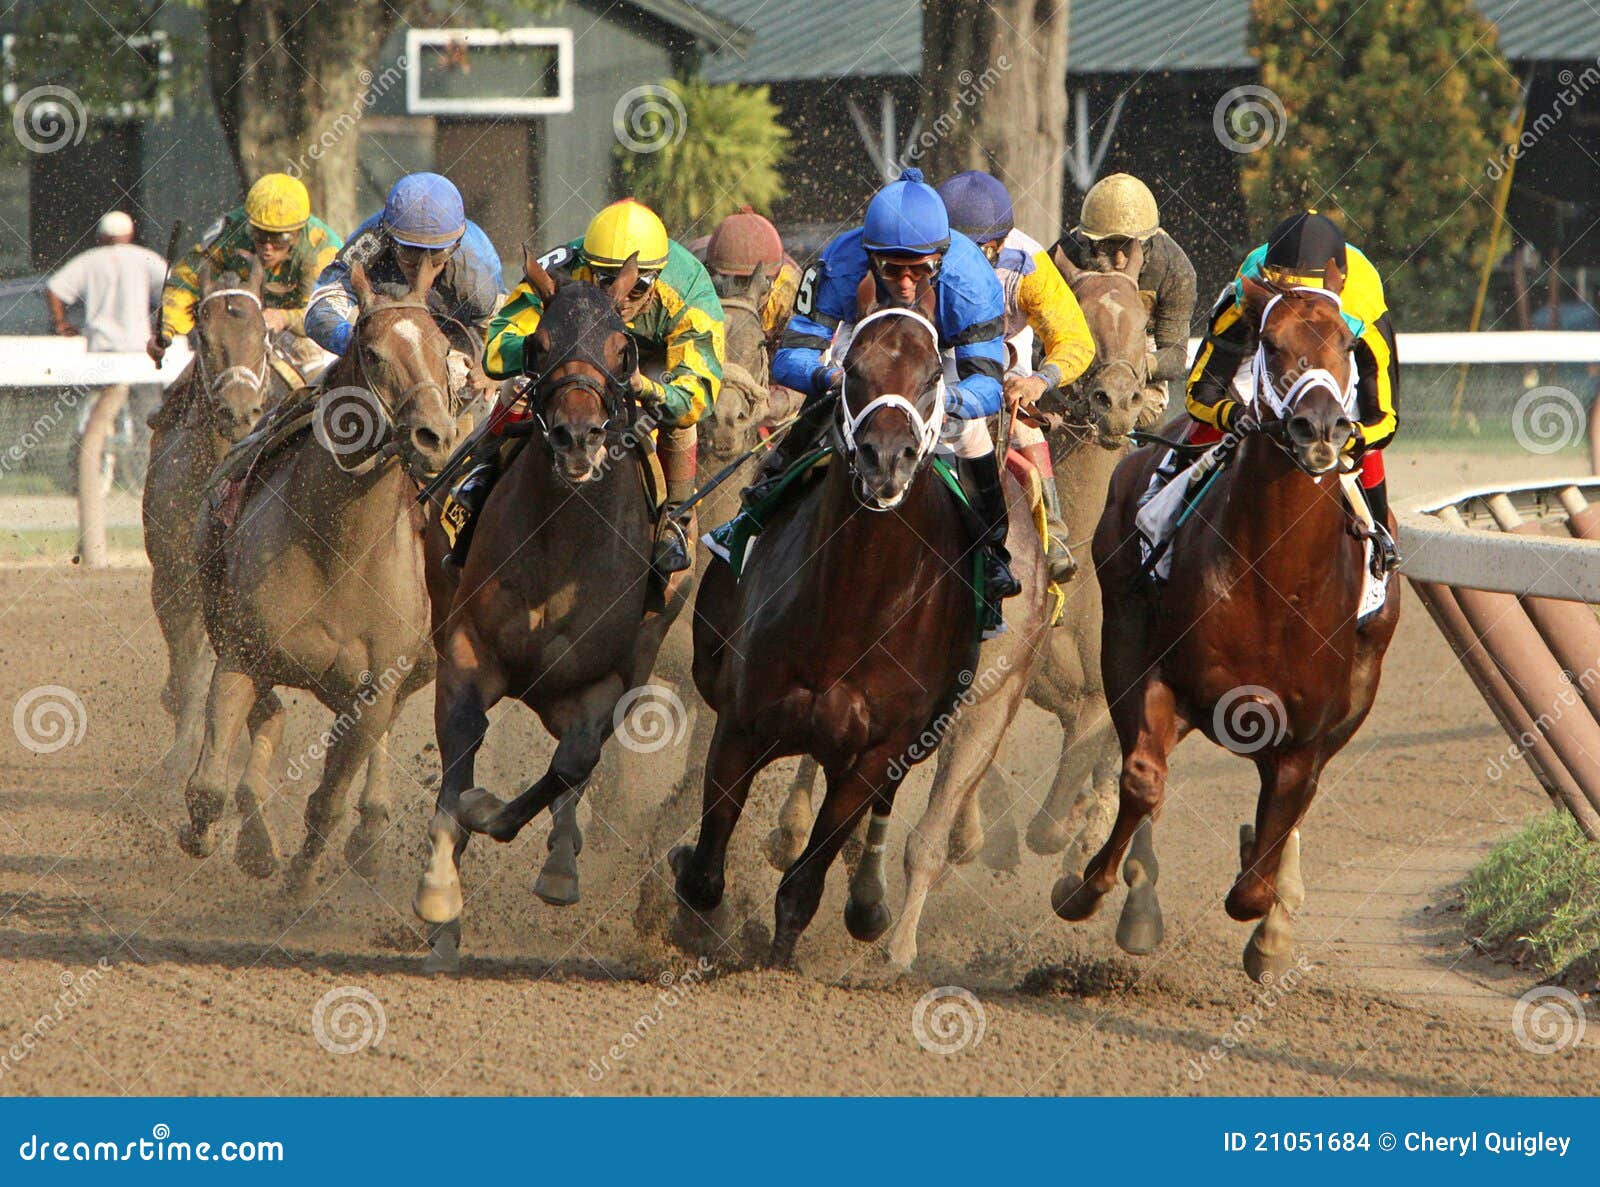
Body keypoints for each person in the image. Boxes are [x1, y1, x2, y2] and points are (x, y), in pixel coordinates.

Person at [758, 167, 1018, 607]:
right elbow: (790, 357)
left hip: (941, 358)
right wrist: (830, 377)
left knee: (968, 430)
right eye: (892, 269)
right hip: (867, 340)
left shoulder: (971, 281)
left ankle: (992, 548)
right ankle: (762, 500)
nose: (904, 283)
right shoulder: (840, 263)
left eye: (920, 270)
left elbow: (987, 385)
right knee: (831, 400)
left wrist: (945, 398)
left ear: (941, 257)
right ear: (869, 255)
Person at [446, 198, 723, 577]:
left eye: (636, 288)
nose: (619, 297)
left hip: (652, 359)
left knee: (680, 419)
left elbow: (697, 396)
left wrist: (644, 388)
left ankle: (675, 520)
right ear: (587, 266)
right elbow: (496, 353)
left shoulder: (691, 291)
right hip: (576, 352)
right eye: (604, 281)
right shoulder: (564, 265)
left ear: (656, 277)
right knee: (520, 381)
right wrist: (547, 351)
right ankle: (483, 473)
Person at [1185, 210, 1399, 567]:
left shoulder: (1363, 306)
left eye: (1309, 295)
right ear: (1270, 283)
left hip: (1335, 359)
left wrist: (1351, 437)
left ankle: (1380, 534)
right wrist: (1240, 415)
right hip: (1270, 352)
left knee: (1357, 436)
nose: (1300, 304)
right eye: (1289, 294)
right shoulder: (1247, 293)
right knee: (1212, 426)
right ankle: (1165, 504)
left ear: (1337, 288)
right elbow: (1200, 393)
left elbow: (1386, 419)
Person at [936, 170, 1095, 584]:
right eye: (956, 250)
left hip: (1005, 367)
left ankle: (1053, 537)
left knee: (1026, 432)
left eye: (978, 251)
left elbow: (1076, 340)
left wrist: (1038, 382)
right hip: (937, 359)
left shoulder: (1030, 266)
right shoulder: (920, 254)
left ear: (1000, 244)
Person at [305, 172, 502, 396]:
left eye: (435, 255)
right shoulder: (371, 241)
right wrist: (357, 343)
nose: (421, 267)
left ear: (455, 248)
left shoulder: (477, 279)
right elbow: (319, 309)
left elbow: (509, 329)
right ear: (388, 237)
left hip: (454, 337)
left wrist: (494, 371)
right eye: (410, 252)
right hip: (381, 337)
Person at [48, 210, 168, 567]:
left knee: (94, 424)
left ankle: (96, 461)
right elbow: (172, 287)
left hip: (99, 353)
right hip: (139, 356)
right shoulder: (145, 259)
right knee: (152, 419)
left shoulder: (90, 261)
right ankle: (143, 462)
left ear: (101, 237)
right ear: (130, 235)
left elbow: (54, 288)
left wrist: (61, 323)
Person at [149, 173, 341, 376]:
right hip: (242, 322)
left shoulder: (323, 249)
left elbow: (327, 312)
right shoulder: (231, 232)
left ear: (297, 232)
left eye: (279, 238)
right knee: (185, 386)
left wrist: (285, 318)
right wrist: (167, 328)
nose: (268, 247)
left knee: (310, 369)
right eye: (260, 235)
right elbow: (188, 280)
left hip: (302, 330)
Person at [1054, 173, 1196, 414]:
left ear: (1148, 240)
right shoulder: (1061, 259)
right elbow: (1036, 344)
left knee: (1149, 420)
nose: (1120, 260)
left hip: (1141, 350)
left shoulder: (1175, 270)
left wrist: (1132, 366)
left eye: (1129, 246)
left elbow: (1174, 356)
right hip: (1078, 354)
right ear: (1088, 241)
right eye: (1109, 246)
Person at [702, 205, 801, 345]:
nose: (741, 295)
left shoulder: (789, 297)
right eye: (736, 283)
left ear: (771, 281)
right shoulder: (695, 287)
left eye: (746, 283)